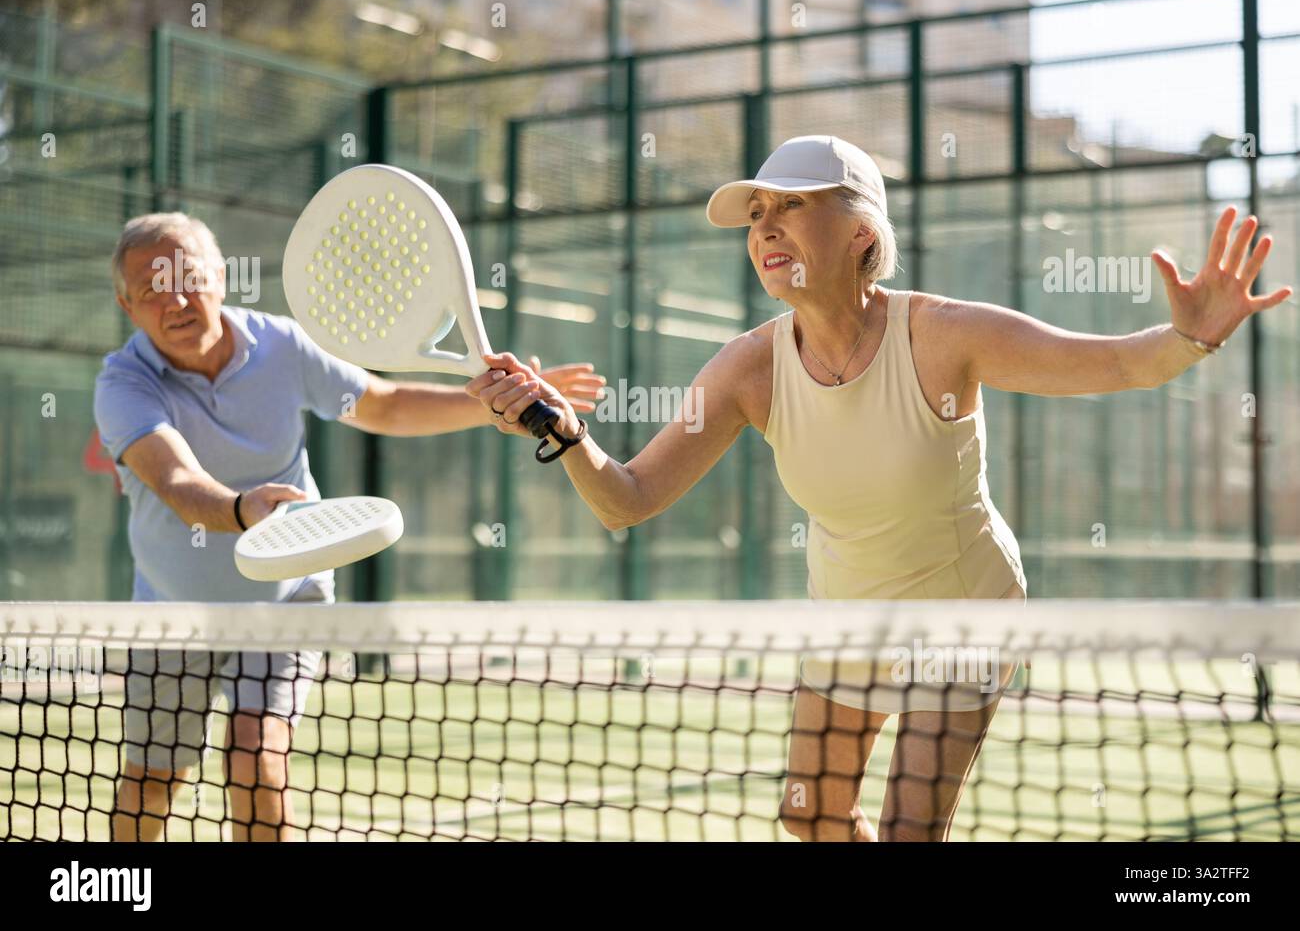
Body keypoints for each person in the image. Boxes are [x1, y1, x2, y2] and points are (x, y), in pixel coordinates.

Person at [466, 134, 1293, 841]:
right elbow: (629, 498)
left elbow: (1113, 361)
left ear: (862, 230)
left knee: (907, 832)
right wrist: (559, 430)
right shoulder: (747, 367)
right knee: (808, 815)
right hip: (849, 613)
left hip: (961, 613)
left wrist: (1188, 338)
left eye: (790, 206)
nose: (766, 228)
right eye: (756, 216)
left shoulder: (943, 335)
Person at [95, 212, 604, 841]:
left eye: (189, 277)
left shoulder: (281, 346)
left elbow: (383, 406)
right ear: (126, 305)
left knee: (257, 761)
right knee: (151, 779)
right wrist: (240, 510)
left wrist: (486, 406)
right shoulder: (123, 382)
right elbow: (175, 483)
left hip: (287, 602)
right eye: (152, 289)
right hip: (172, 609)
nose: (175, 300)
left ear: (222, 277)